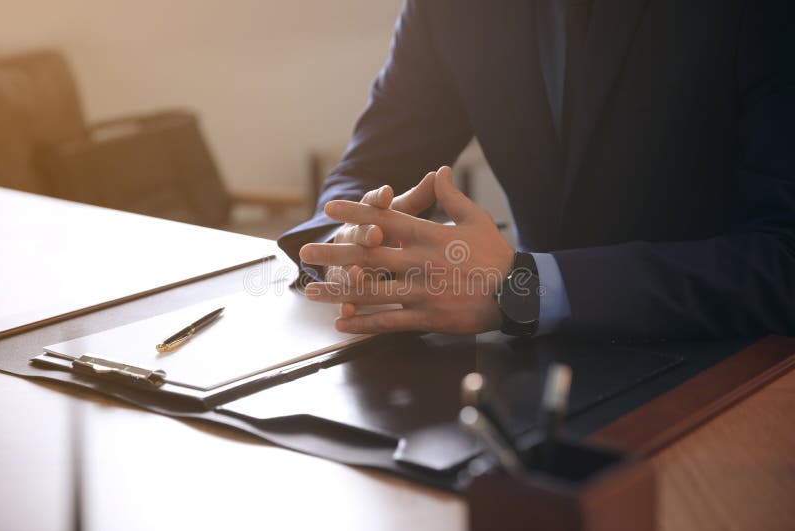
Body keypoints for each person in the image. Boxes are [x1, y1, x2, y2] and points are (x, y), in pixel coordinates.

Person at [278, 0, 795, 340]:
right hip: (516, 376)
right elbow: (365, 174)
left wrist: (523, 288)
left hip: (733, 378)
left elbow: (783, 257)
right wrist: (352, 240)